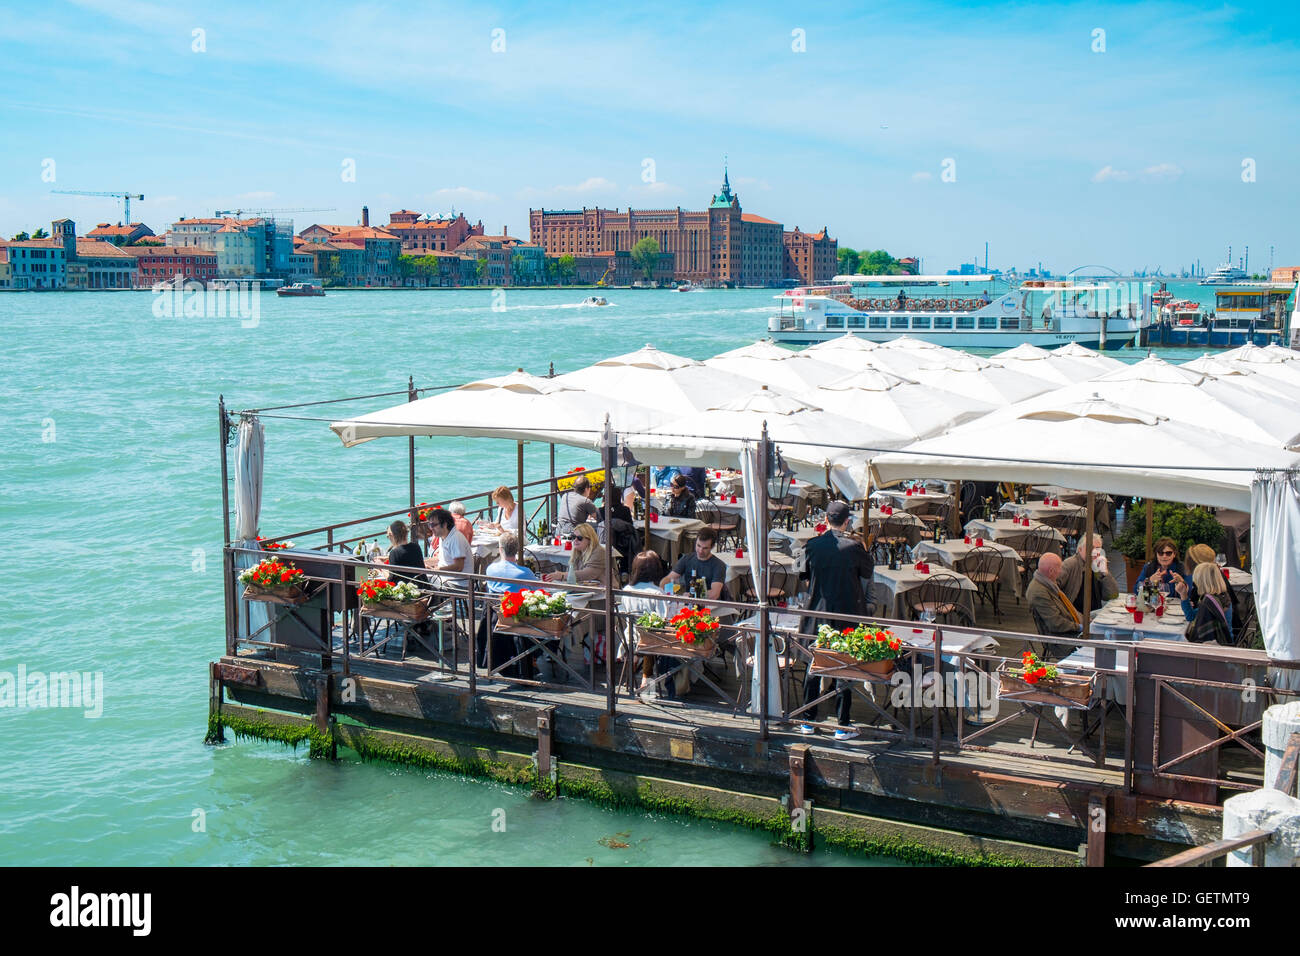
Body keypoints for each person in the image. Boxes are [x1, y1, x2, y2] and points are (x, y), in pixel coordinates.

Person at [798, 501, 875, 740]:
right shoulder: (853, 547)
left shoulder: (812, 545)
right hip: (846, 613)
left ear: (826, 520)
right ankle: (842, 725)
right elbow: (868, 572)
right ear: (846, 521)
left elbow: (804, 575)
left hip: (819, 612)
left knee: (815, 666)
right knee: (844, 668)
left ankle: (807, 721)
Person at [620, 551, 679, 700]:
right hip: (649, 640)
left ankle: (634, 661)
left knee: (646, 635)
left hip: (629, 636)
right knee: (653, 636)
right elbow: (663, 619)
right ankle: (647, 678)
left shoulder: (626, 590)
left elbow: (623, 612)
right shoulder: (657, 593)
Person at [481, 532, 539, 674]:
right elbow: (538, 592)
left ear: (500, 549)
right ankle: (536, 657)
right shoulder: (525, 573)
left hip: (496, 617)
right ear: (518, 550)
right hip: (521, 621)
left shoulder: (491, 569)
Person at [1025, 552, 1082, 644]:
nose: (1060, 571)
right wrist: (1080, 627)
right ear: (1051, 571)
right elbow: (1056, 623)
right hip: (1064, 638)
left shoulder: (1047, 582)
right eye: (1059, 568)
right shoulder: (1039, 592)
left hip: (1071, 624)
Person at [661, 527, 728, 601]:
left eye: (705, 548)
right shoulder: (687, 558)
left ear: (712, 547)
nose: (700, 551)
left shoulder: (719, 565)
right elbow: (668, 578)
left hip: (710, 605)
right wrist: (663, 589)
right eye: (698, 546)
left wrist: (691, 595)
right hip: (690, 603)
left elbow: (714, 594)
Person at [1057, 542, 1118, 612]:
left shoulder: (1098, 566)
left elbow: (1112, 595)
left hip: (1095, 613)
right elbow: (1052, 587)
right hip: (1074, 615)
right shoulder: (1069, 564)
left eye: (1098, 549)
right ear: (1079, 549)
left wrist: (1105, 573)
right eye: (1091, 548)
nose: (1095, 552)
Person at [1187, 562, 1231, 645]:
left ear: (1201, 581)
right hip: (1225, 639)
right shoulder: (1223, 596)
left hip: (1213, 646)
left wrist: (1183, 596)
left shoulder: (1207, 602)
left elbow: (1199, 636)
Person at [427, 507, 470, 581]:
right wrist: (420, 563)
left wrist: (436, 570)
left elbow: (459, 566)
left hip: (456, 583)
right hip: (446, 578)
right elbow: (440, 558)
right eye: (430, 525)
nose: (431, 528)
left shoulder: (455, 538)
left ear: (444, 525)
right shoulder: (444, 536)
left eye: (434, 525)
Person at [384, 520, 427, 587]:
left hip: (407, 592)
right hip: (423, 586)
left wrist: (381, 568)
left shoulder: (394, 553)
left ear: (391, 535)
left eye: (388, 536)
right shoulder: (416, 547)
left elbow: (391, 580)